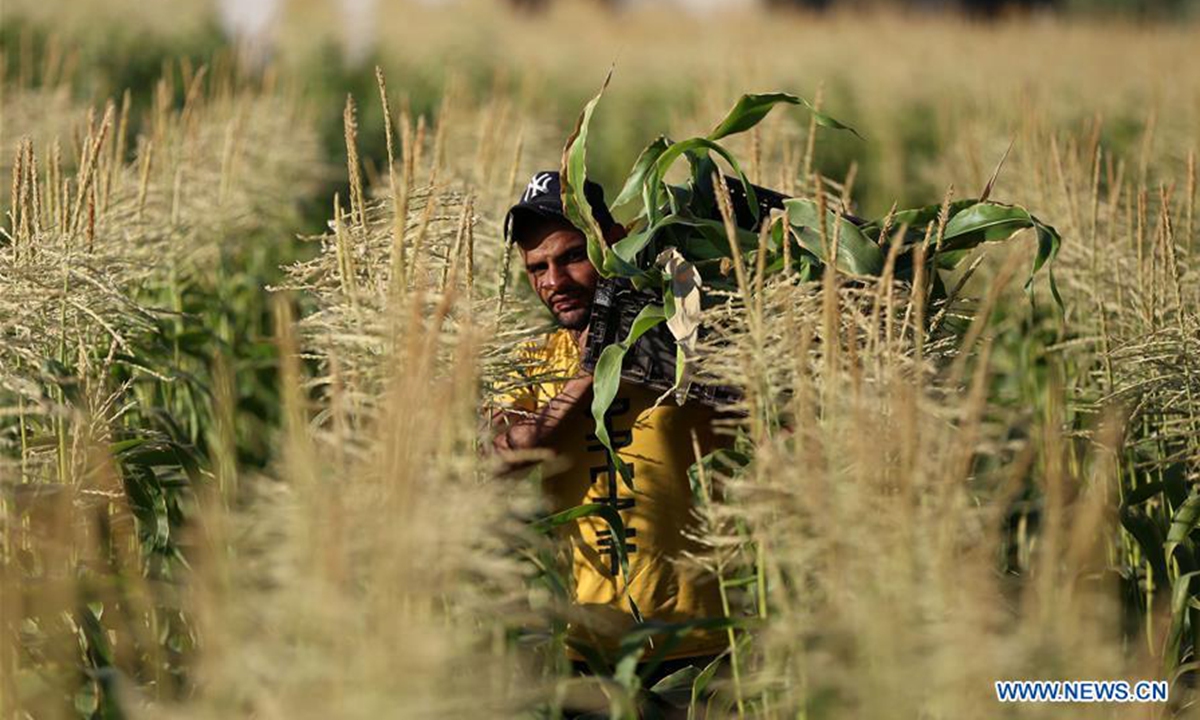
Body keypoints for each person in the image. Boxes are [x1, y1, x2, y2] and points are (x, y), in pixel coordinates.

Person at [492, 171, 733, 716]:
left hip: (703, 653)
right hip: (592, 660)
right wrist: (599, 359)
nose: (555, 279)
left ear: (614, 244)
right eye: (537, 267)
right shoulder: (531, 365)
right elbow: (502, 456)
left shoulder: (685, 346)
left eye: (572, 256)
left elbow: (784, 426)